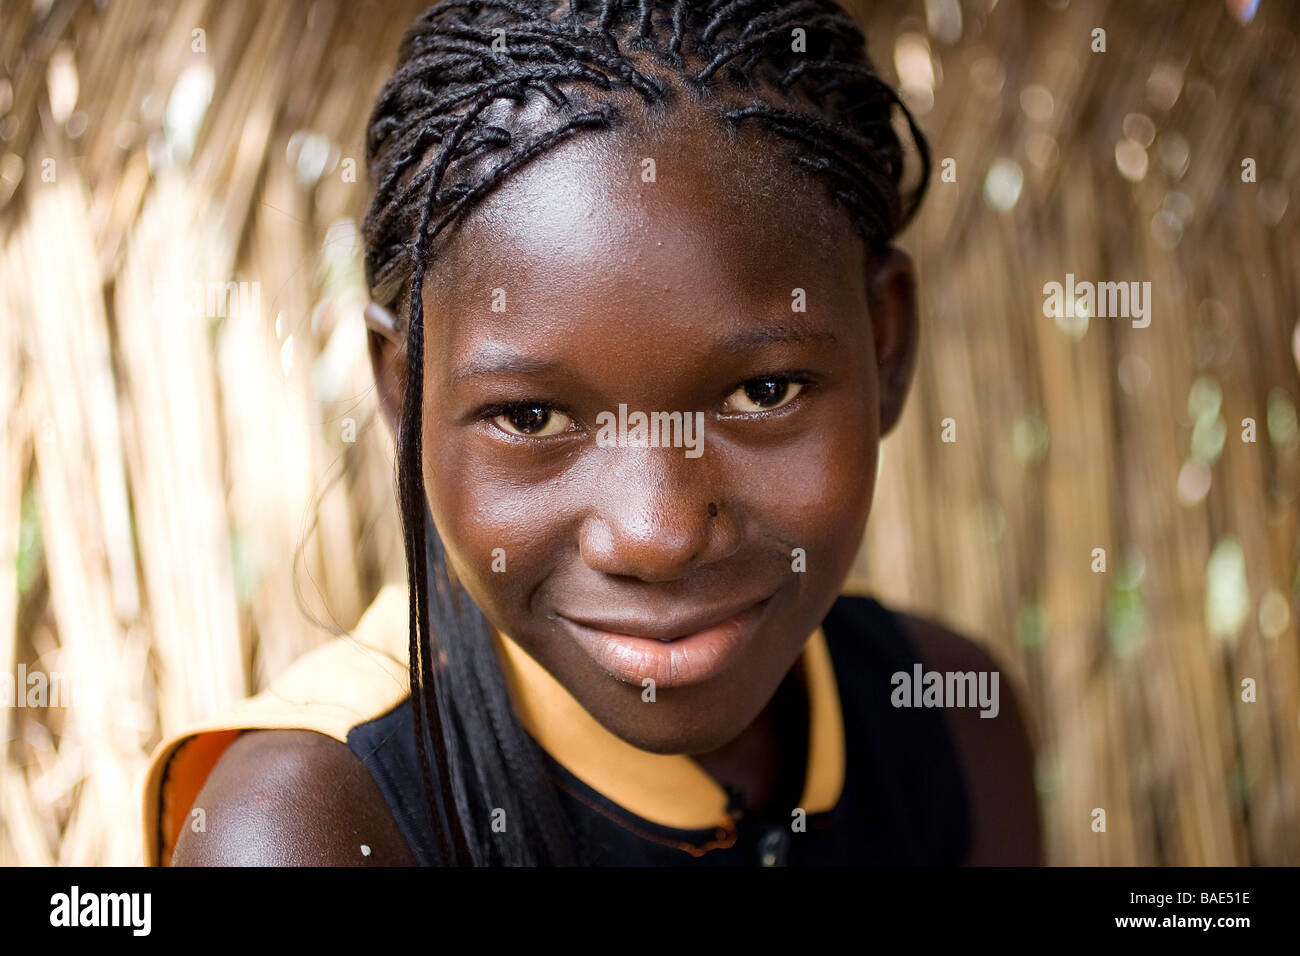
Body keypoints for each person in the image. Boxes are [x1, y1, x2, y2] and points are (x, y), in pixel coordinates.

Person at [142, 0, 1041, 867]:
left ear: (885, 346)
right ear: (406, 392)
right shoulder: (307, 822)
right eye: (530, 416)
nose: (657, 533)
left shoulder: (947, 718)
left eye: (763, 391)